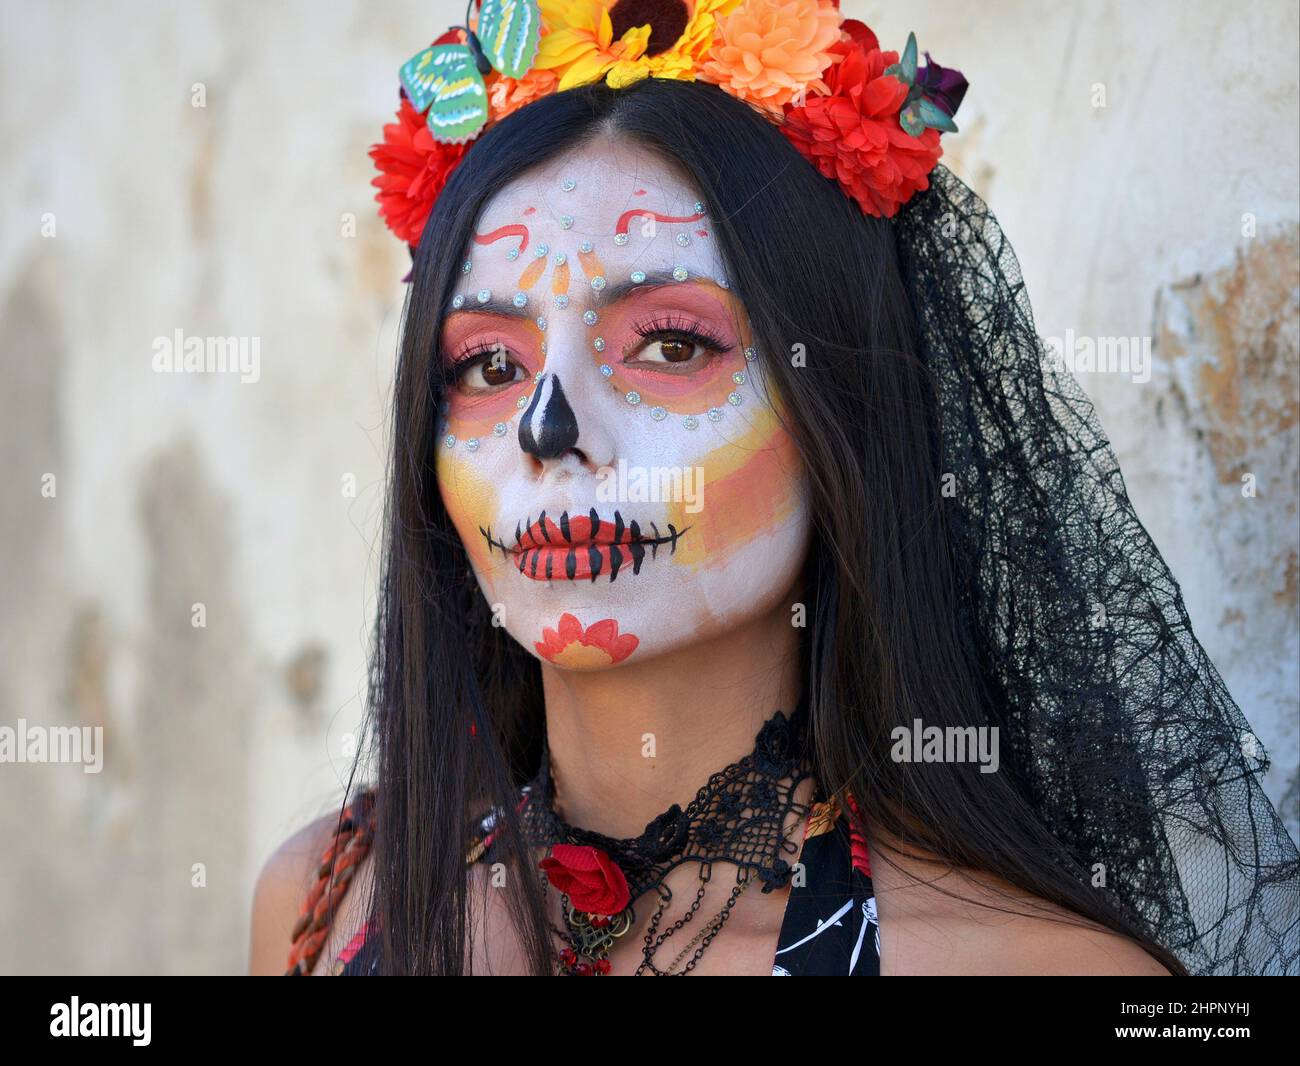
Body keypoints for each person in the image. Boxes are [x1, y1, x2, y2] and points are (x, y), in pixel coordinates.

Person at [249, 1, 1299, 977]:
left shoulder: (1031, 968)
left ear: (833, 410)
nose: (549, 429)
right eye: (487, 364)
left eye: (667, 344)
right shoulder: (335, 897)